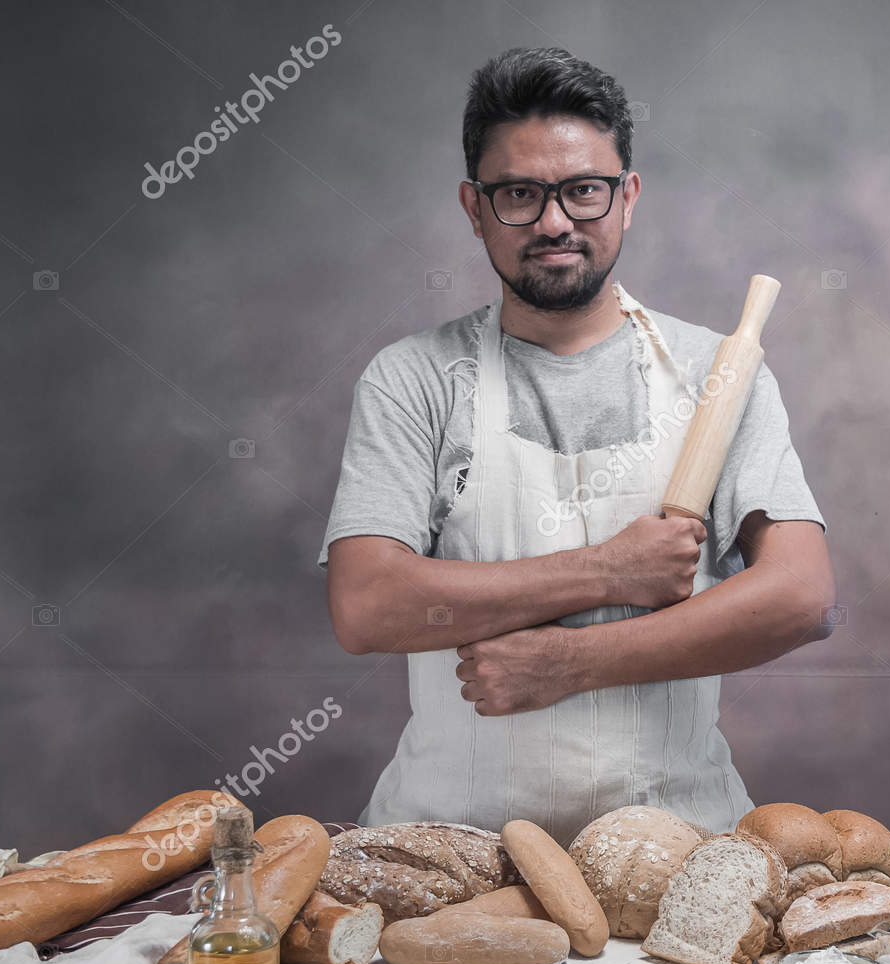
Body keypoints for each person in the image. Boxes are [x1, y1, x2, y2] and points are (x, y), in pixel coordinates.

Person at [319, 47, 834, 844]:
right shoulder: (414, 379)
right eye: (520, 194)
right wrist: (607, 570)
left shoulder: (717, 374)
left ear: (628, 197)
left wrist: (572, 662)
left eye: (583, 190)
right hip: (449, 850)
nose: (554, 222)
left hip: (677, 847)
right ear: (475, 207)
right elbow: (366, 603)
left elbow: (800, 595)